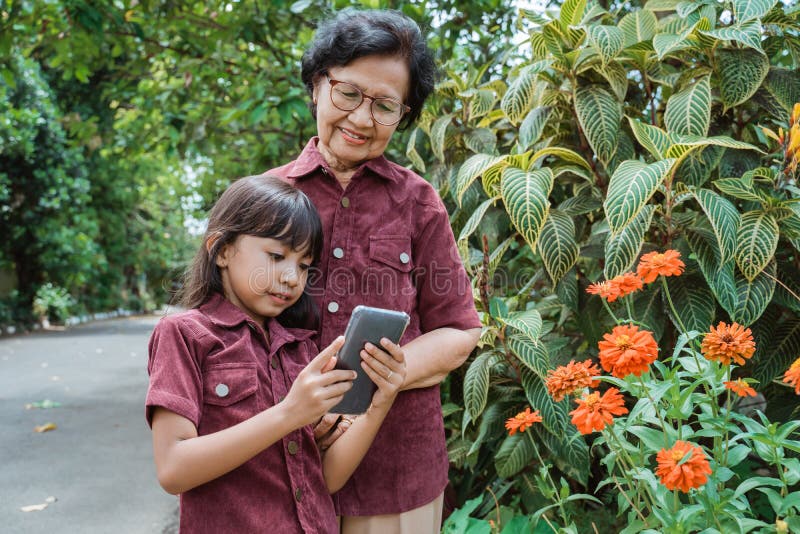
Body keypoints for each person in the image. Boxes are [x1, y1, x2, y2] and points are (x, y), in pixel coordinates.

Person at [266, 9, 481, 533]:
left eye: (385, 106)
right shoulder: (265, 198)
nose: (362, 119)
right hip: (277, 469)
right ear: (318, 86)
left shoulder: (418, 201)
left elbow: (460, 329)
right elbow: (223, 327)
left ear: (402, 115)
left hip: (396, 475)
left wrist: (371, 383)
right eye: (348, 94)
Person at [145, 175, 407, 533]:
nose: (290, 277)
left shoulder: (301, 349)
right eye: (276, 256)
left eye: (303, 265)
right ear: (221, 250)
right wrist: (289, 413)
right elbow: (173, 469)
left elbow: (324, 480)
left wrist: (379, 402)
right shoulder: (185, 334)